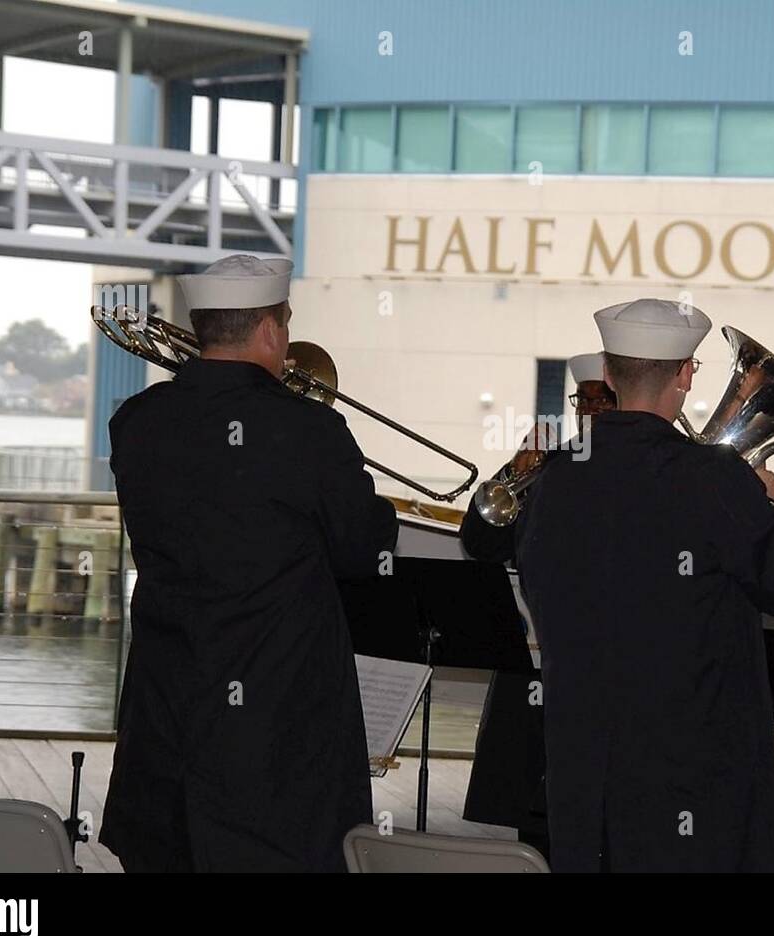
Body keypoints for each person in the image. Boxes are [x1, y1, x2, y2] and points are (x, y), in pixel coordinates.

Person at [100, 254, 397, 872]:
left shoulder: (135, 423)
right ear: (268, 330)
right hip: (277, 728)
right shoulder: (312, 430)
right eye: (284, 324)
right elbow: (364, 551)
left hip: (164, 716)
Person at [514, 298, 774, 872]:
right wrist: (763, 509)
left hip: (583, 780)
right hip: (695, 784)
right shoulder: (714, 481)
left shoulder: (554, 478)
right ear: (686, 375)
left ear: (607, 375)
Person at [460, 353, 615, 858]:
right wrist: (511, 472)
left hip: (609, 675)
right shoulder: (552, 467)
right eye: (582, 401)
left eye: (601, 401)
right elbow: (481, 541)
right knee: (538, 823)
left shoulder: (650, 471)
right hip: (542, 673)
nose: (588, 412)